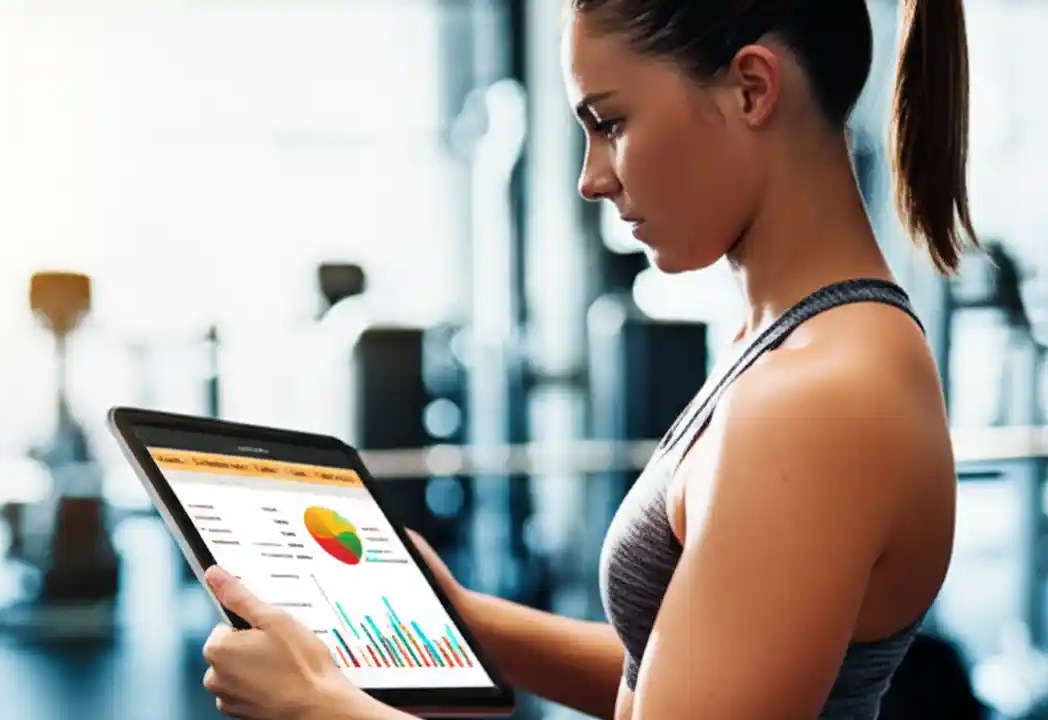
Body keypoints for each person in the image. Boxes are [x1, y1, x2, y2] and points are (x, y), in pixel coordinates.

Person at [197, 0, 970, 716]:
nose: (591, 177)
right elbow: (678, 674)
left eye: (612, 123)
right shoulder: (783, 352)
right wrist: (460, 615)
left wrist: (321, 705)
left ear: (750, 88)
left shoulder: (818, 397)